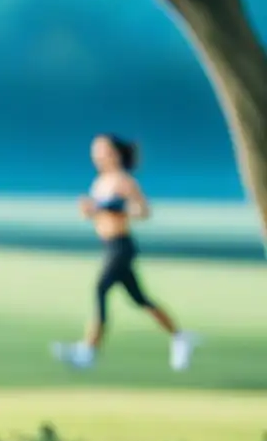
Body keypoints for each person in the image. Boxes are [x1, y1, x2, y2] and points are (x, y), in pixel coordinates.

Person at [53, 134, 197, 371]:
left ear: (115, 154)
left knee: (101, 288)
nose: (97, 157)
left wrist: (115, 207)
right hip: (108, 245)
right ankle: (180, 337)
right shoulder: (100, 182)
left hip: (122, 246)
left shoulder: (123, 182)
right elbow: (98, 214)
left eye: (102, 151)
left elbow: (143, 211)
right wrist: (90, 210)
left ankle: (89, 349)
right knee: (140, 299)